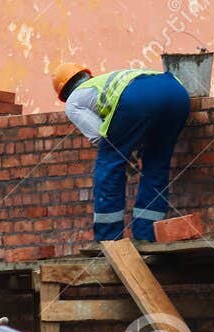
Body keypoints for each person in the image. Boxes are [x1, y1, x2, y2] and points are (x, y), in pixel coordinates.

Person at [50, 63, 191, 242]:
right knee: (156, 164)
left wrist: (124, 156)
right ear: (86, 75)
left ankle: (109, 238)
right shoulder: (109, 79)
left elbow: (100, 137)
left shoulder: (74, 100)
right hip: (177, 93)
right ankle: (147, 235)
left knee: (108, 164)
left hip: (138, 97)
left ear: (64, 93)